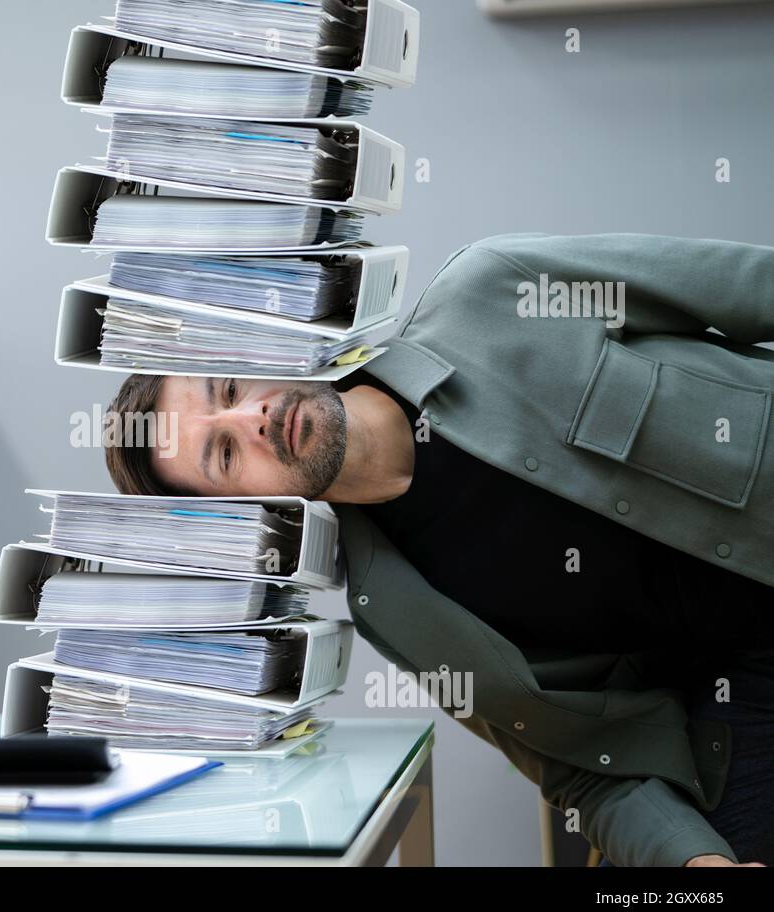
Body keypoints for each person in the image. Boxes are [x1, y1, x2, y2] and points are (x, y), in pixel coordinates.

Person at [102, 233, 774, 866]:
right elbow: (585, 773)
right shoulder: (398, 612)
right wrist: (696, 860)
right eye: (223, 454)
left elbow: (752, 287)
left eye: (229, 389)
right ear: (249, 508)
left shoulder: (494, 285)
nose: (252, 419)